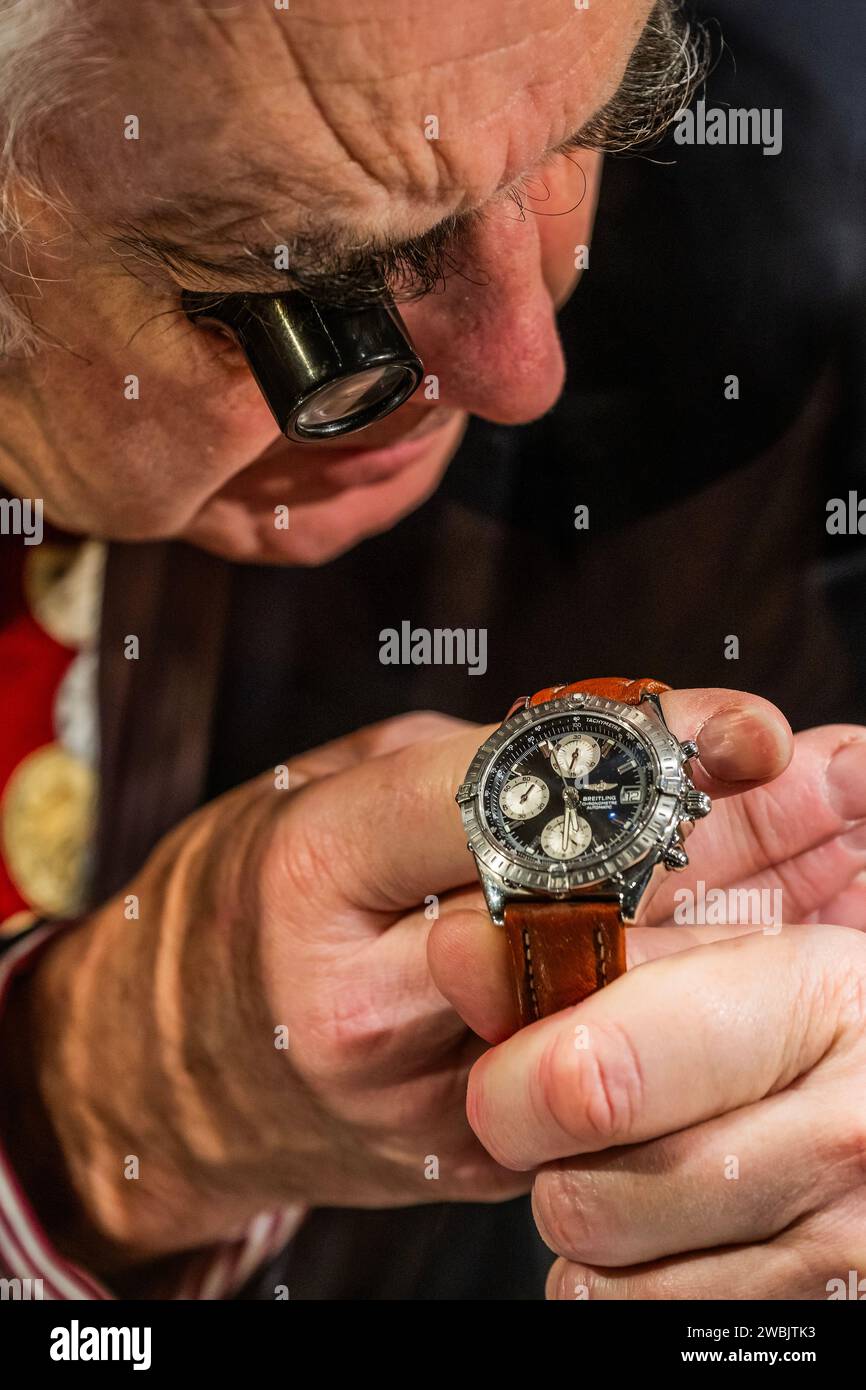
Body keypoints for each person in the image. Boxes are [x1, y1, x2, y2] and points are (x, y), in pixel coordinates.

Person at [1, 0, 865, 1300]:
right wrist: (108, 1097)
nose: (523, 370)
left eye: (588, 127)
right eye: (307, 285)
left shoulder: (759, 305)